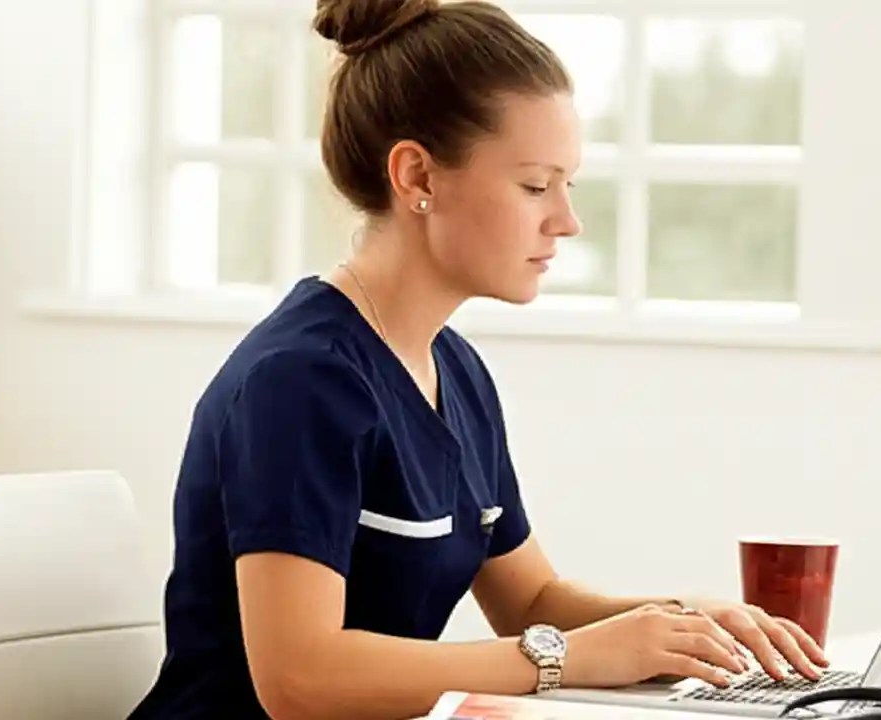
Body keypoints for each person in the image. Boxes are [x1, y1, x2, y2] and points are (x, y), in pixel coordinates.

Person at [127, 1, 830, 718]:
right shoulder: (301, 381)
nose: (566, 220)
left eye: (568, 184)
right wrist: (572, 659)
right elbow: (300, 680)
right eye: (534, 185)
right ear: (417, 177)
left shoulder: (453, 370)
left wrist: (681, 619)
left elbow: (529, 601)